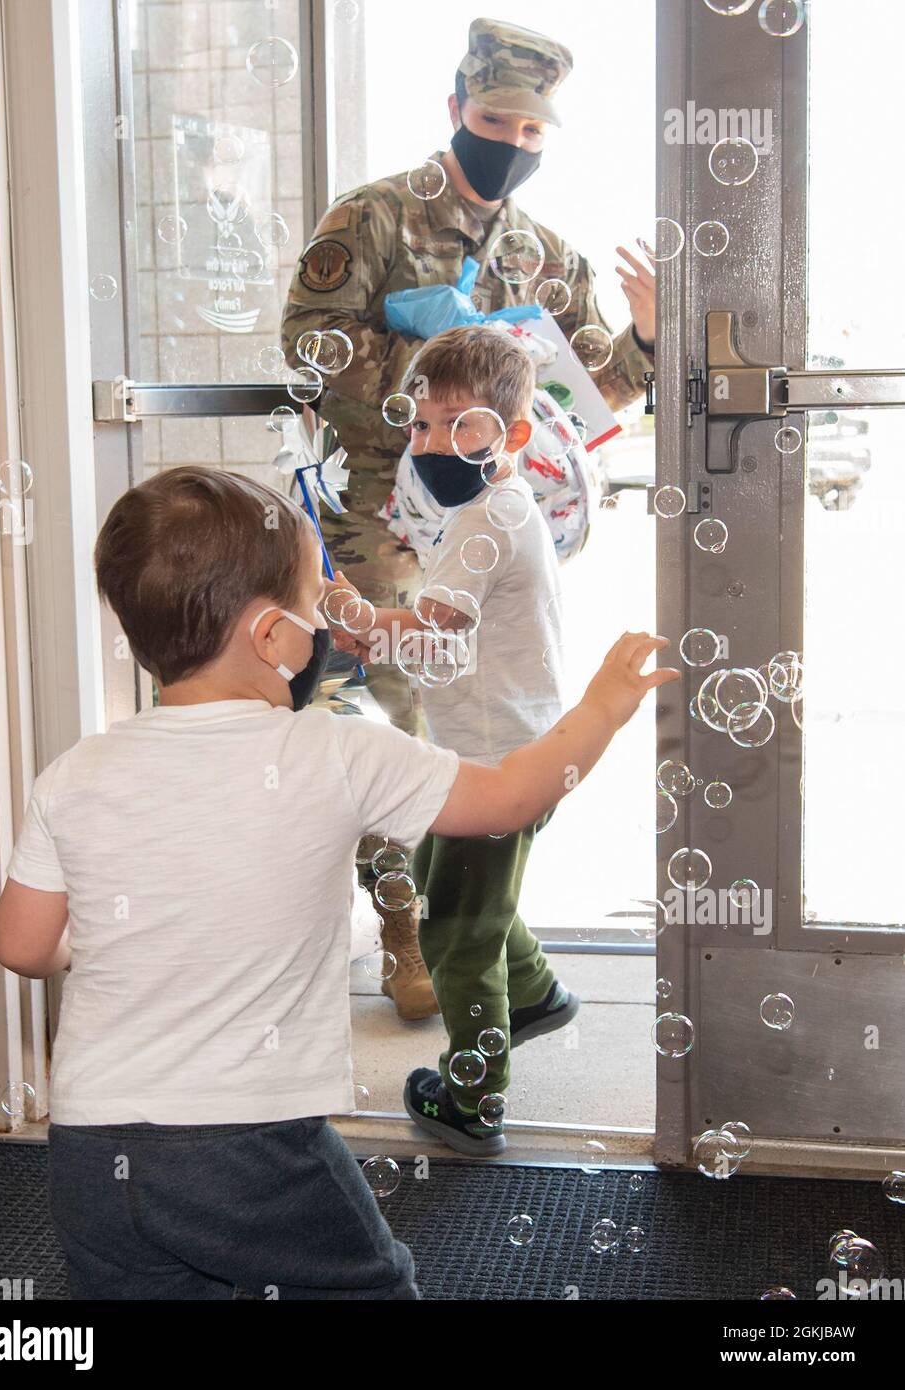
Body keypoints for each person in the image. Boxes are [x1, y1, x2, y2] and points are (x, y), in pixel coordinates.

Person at [0, 465, 677, 1300]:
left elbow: (22, 945)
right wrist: (604, 703)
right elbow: (514, 794)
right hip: (252, 1148)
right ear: (274, 639)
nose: (328, 627)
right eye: (317, 607)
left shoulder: (76, 771)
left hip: (91, 1150)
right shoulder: (335, 752)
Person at [281, 15, 655, 1017]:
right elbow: (306, 344)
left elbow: (591, 393)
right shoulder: (372, 219)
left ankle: (488, 937)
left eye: (535, 132)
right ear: (457, 108)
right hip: (386, 523)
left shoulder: (545, 255)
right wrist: (423, 363)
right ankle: (409, 932)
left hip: (493, 528)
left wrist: (649, 337)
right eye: (498, 120)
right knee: (408, 723)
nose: (515, 144)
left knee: (493, 734)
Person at [328, 324, 582, 1154]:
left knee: (455, 931)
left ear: (510, 435)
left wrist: (361, 619)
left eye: (459, 424)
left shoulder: (485, 520)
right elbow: (442, 639)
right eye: (422, 425)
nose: (433, 442)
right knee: (454, 889)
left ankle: (476, 1099)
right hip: (498, 749)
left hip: (499, 762)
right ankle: (535, 994)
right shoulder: (485, 501)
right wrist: (377, 630)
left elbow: (434, 626)